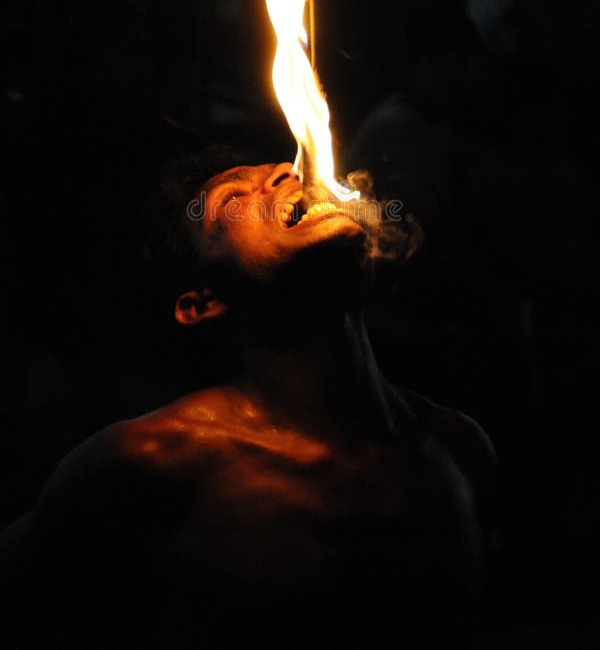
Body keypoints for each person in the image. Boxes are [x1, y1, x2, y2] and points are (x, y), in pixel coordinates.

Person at [0, 146, 496, 649]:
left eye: (276, 171)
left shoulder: (459, 448)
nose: (287, 171)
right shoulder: (151, 462)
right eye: (233, 199)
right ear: (203, 303)